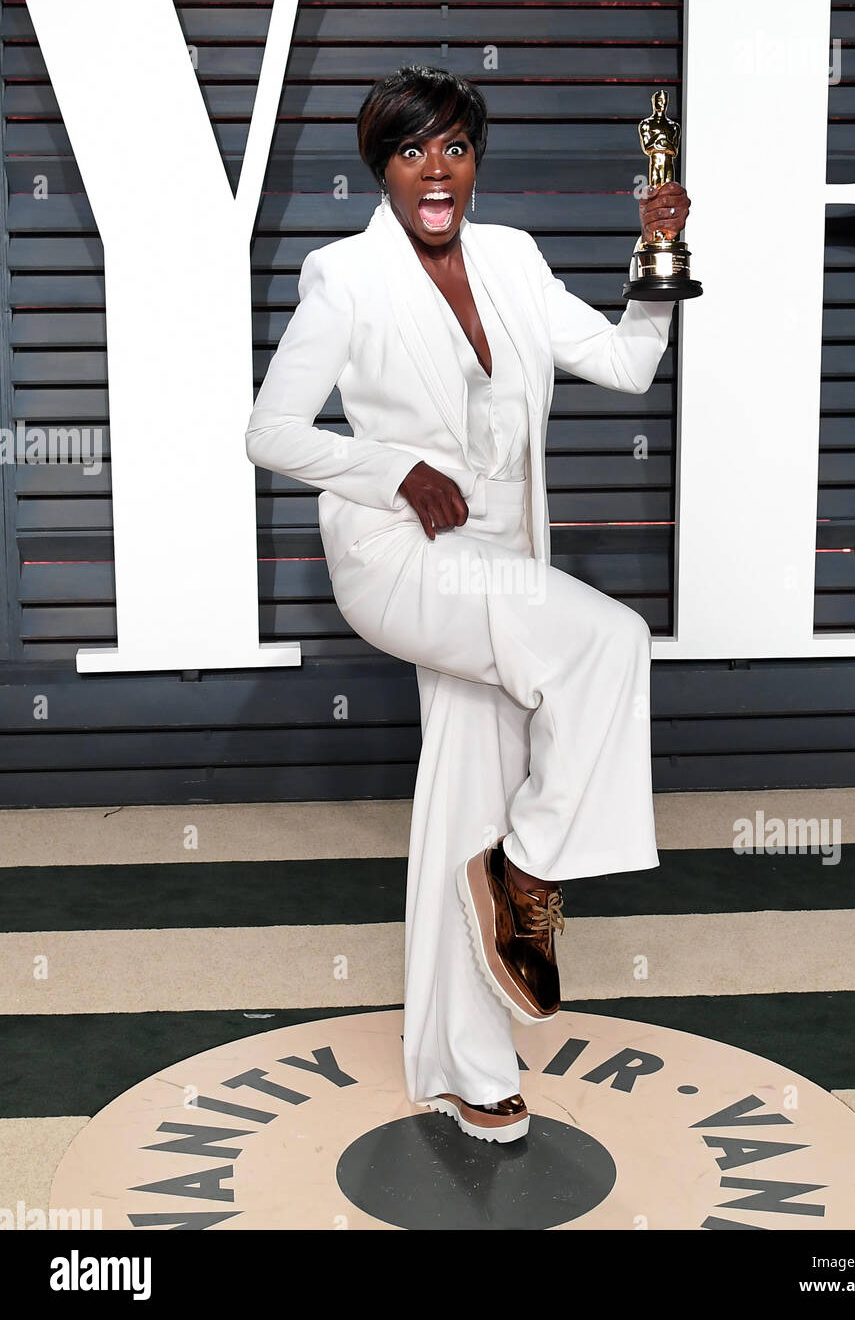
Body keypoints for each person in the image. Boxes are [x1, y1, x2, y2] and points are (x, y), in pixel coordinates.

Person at [244, 65, 691, 1145]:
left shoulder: (513, 260)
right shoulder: (344, 277)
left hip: (497, 561)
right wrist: (393, 469)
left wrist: (655, 263)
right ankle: (527, 872)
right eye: (411, 153)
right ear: (383, 172)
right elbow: (270, 431)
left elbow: (629, 366)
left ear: (474, 159)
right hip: (402, 558)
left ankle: (464, 1062)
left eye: (451, 147)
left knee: (463, 786)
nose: (434, 171)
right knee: (612, 642)